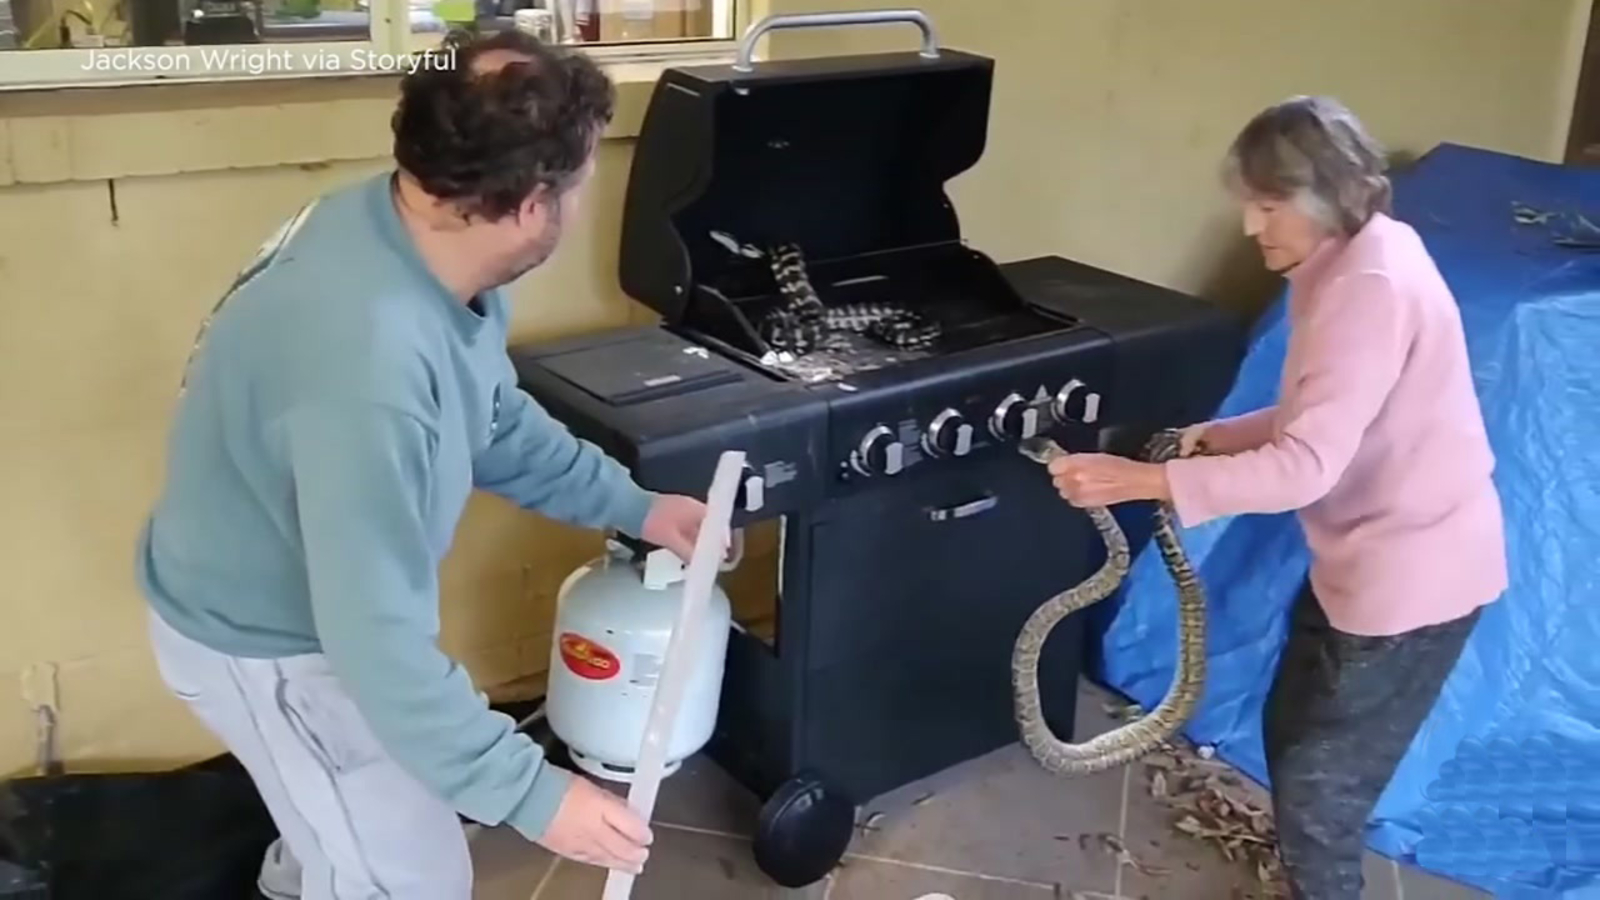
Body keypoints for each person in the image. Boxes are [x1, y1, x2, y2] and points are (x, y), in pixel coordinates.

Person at [135, 30, 706, 900]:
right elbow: (378, 647)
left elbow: (486, 413)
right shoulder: (369, 369)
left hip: (310, 602)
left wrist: (635, 505)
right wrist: (533, 793)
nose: (585, 200)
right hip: (272, 646)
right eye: (582, 182)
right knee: (410, 879)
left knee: (339, 831)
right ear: (527, 205)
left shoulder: (407, 229)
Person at [1048, 96, 1506, 900]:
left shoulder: (1370, 285)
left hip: (1413, 578)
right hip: (1369, 563)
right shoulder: (1347, 260)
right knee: (1294, 737)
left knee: (1322, 795)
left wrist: (1143, 482)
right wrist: (1217, 436)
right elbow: (1330, 410)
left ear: (1325, 194)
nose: (1253, 227)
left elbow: (1304, 467)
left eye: (1268, 206)